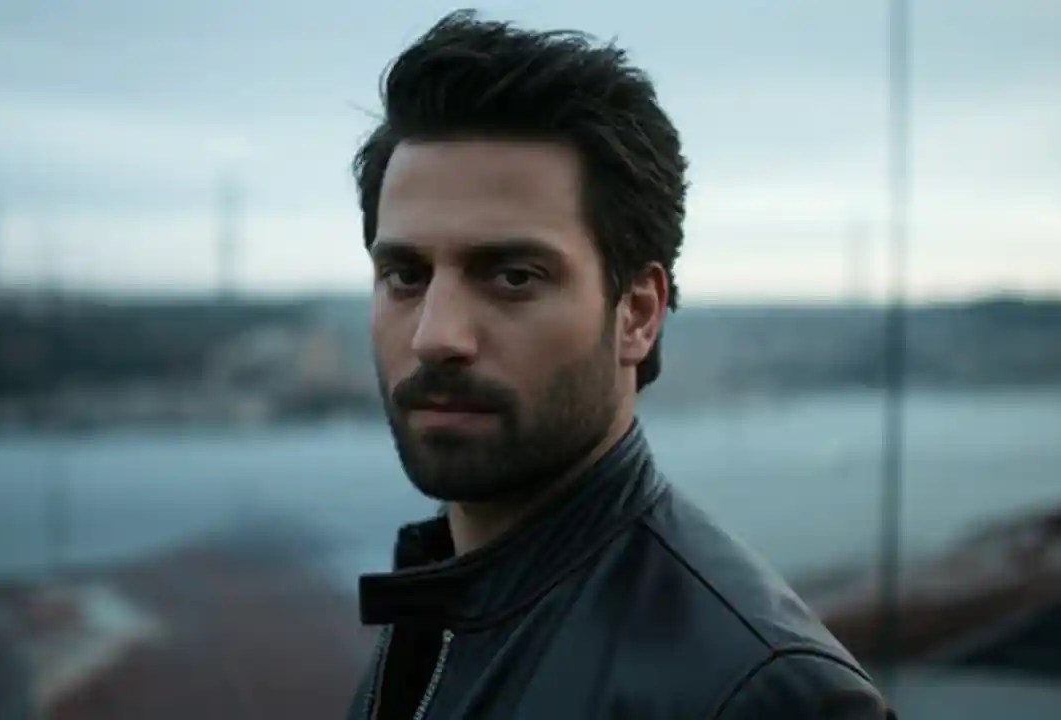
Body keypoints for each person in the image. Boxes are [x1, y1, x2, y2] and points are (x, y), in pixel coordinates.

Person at [346, 9, 895, 719]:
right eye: (405, 276)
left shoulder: (764, 695)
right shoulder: (435, 611)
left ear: (637, 313)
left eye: (513, 276)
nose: (435, 336)